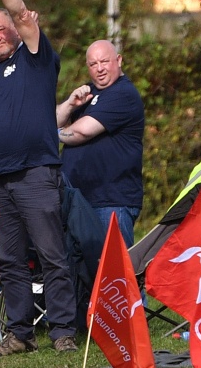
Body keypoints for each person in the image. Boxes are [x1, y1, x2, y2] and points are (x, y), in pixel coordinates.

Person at [0, 0, 77, 355]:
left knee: (50, 254)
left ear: (14, 29)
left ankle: (63, 331)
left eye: (0, 29)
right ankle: (20, 334)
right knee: (10, 261)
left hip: (35, 172)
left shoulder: (35, 57)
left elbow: (22, 13)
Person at [57, 38, 146, 323]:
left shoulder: (123, 95)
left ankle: (127, 324)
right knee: (83, 268)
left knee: (115, 270)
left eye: (105, 61)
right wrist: (71, 103)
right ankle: (92, 323)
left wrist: (45, 133)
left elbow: (80, 133)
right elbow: (57, 120)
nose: (99, 69)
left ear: (118, 60)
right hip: (80, 199)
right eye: (93, 64)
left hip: (112, 200)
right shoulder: (88, 97)